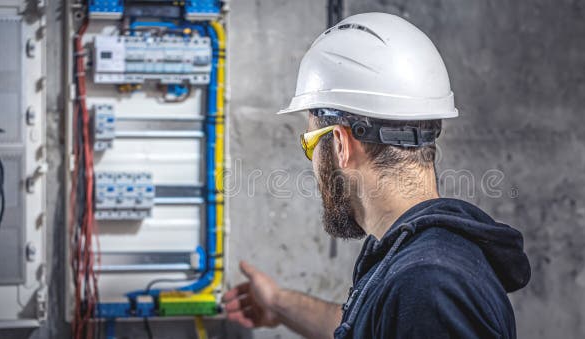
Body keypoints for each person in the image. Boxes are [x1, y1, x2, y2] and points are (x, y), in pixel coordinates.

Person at [223, 12, 531, 339]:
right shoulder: (421, 261)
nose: (311, 160)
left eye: (310, 142)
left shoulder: (429, 287)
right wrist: (278, 303)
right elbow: (365, 328)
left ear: (341, 144)